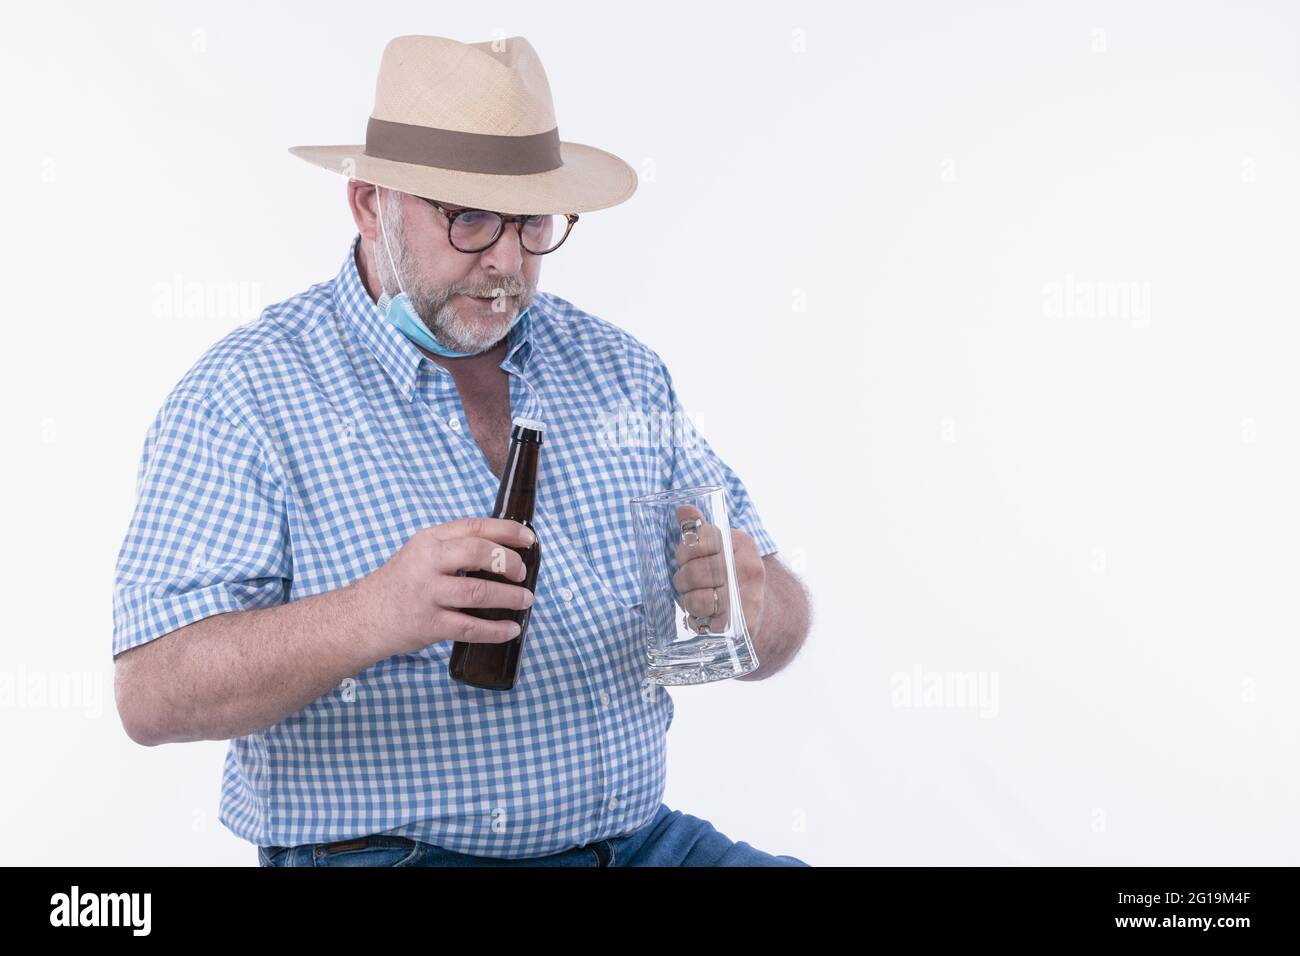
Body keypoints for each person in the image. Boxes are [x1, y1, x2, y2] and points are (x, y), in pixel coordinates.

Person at [112, 34, 812, 867]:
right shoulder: (246, 395)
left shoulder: (622, 371)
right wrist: (375, 613)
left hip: (640, 843)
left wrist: (745, 610)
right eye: (470, 218)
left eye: (531, 223)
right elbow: (150, 694)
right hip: (396, 856)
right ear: (370, 203)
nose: (508, 263)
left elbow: (779, 620)